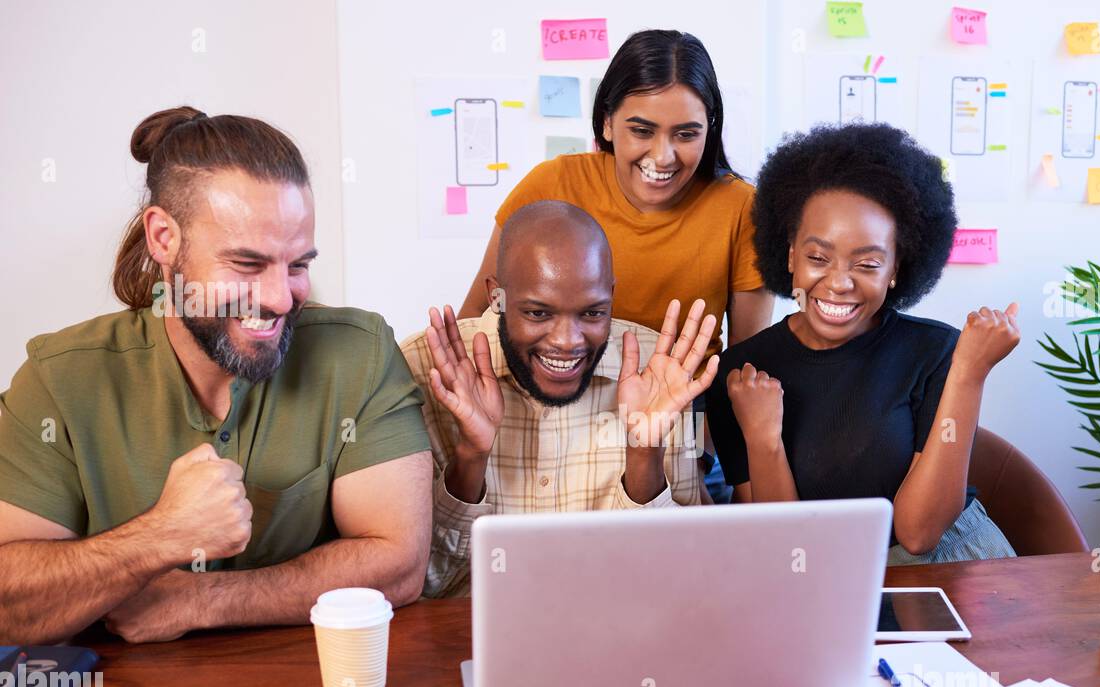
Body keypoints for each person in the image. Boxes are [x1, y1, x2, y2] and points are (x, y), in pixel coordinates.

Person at [0, 107, 433, 645]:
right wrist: (159, 536)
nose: (280, 299)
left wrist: (201, 600)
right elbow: (8, 605)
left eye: (298, 265)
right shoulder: (58, 378)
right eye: (247, 265)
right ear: (164, 238)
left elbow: (399, 564)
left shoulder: (360, 354)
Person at [460, 29, 772, 501]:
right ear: (606, 123)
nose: (662, 156)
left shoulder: (742, 209)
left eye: (686, 134)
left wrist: (692, 450)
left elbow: (743, 369)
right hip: (553, 436)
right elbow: (475, 325)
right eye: (642, 131)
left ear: (710, 128)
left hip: (674, 431)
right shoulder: (551, 184)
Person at [706, 123, 1018, 563]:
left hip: (949, 563)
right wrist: (763, 439)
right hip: (817, 572)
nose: (839, 283)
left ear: (895, 270)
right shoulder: (742, 373)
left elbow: (919, 534)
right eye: (818, 258)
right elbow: (786, 547)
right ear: (790, 254)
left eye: (867, 264)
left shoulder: (936, 352)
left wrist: (969, 373)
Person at [403, 201, 716, 597]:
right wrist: (471, 454)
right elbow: (422, 584)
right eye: (538, 314)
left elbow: (678, 577)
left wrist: (643, 452)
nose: (568, 342)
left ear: (610, 296)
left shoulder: (660, 372)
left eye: (592, 313)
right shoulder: (422, 371)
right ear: (497, 297)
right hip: (464, 632)